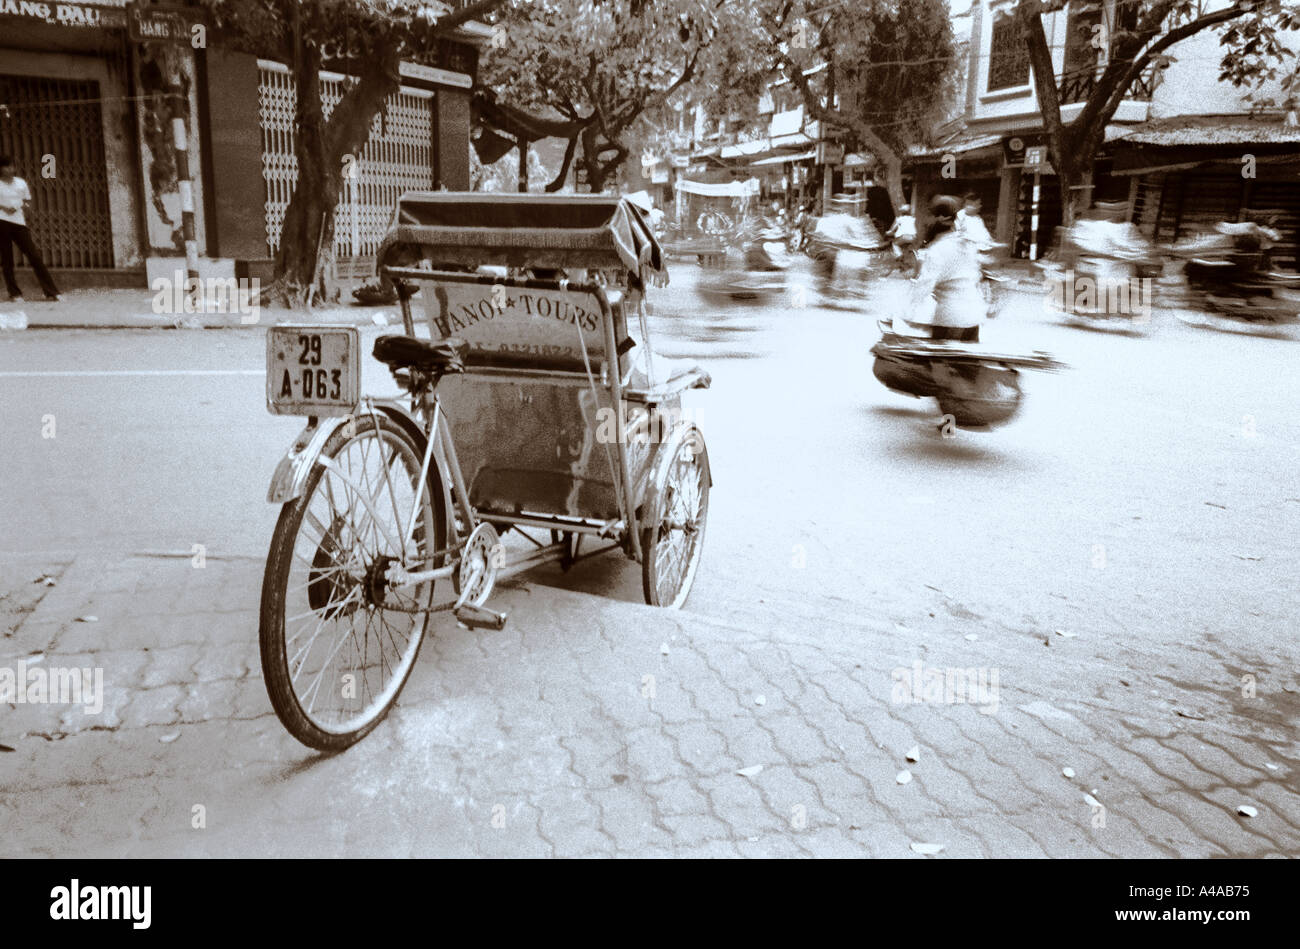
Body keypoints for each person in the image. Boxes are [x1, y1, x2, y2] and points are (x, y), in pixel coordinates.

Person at [910, 194, 984, 342]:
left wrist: (907, 311)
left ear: (941, 218)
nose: (925, 221)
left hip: (951, 319)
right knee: (966, 364)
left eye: (929, 215)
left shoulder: (938, 249)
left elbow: (925, 285)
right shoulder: (966, 243)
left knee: (942, 364)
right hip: (974, 317)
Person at [0, 156, 60, 302]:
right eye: (6, 166)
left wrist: (22, 207)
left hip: (19, 222)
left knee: (34, 256)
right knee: (7, 259)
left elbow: (27, 201)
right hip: (2, 221)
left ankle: (51, 291)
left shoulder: (21, 183)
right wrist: (3, 207)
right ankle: (14, 293)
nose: (10, 169)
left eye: (11, 166)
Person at [885, 203, 919, 276]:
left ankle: (899, 255)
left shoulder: (899, 219)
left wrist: (888, 232)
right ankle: (907, 263)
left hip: (903, 237)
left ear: (902, 212)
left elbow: (892, 229)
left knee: (895, 244)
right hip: (913, 237)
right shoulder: (913, 219)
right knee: (907, 247)